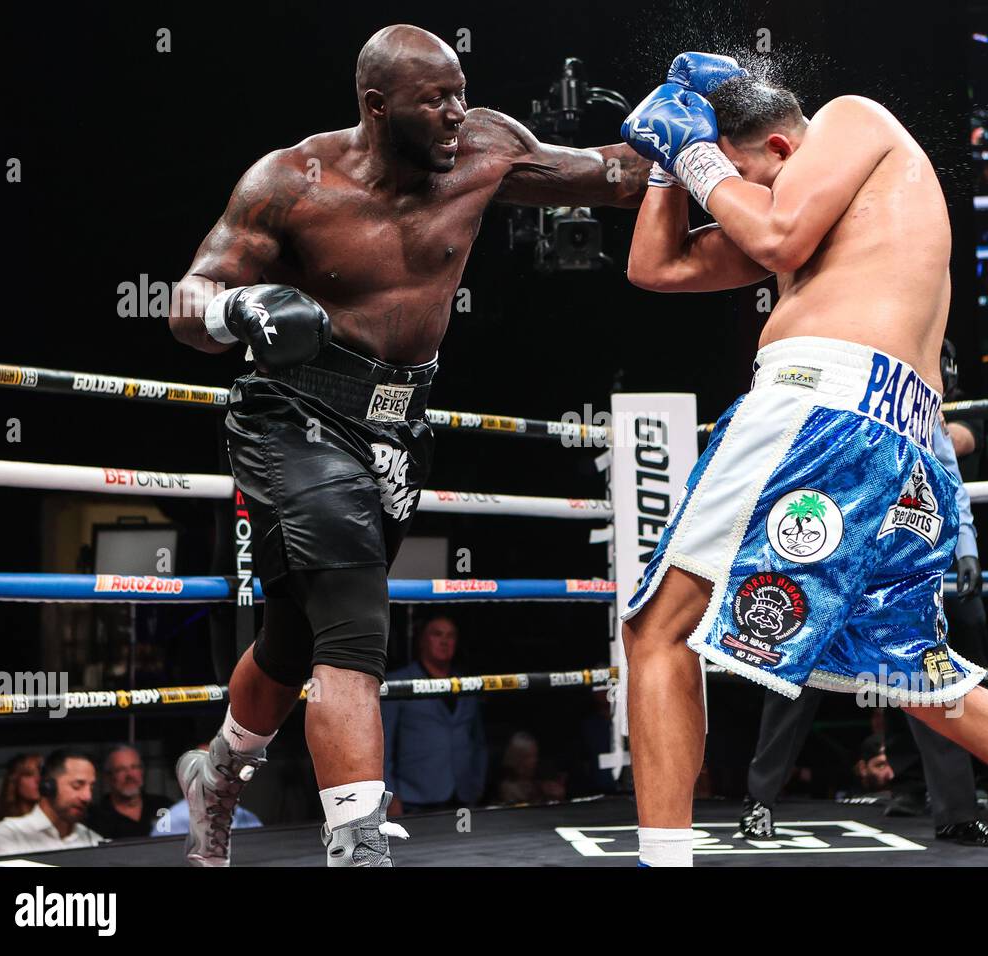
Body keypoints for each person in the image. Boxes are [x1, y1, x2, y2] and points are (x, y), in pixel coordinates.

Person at [617, 54, 988, 866]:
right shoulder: (824, 226)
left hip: (818, 407)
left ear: (785, 153)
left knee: (655, 631)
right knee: (931, 689)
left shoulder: (853, 119)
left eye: (745, 175)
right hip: (898, 445)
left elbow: (774, 227)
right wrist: (663, 167)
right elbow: (657, 267)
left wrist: (697, 155)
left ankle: (662, 863)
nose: (731, 196)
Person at [167, 24, 647, 867]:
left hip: (397, 426)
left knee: (290, 642)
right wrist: (236, 310)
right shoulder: (290, 181)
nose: (460, 113)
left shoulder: (486, 148)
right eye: (438, 100)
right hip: (292, 414)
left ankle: (217, 772)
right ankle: (356, 844)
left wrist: (707, 144)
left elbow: (609, 179)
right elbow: (189, 298)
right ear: (377, 106)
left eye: (462, 92)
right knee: (355, 619)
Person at [739, 415, 988, 847]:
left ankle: (957, 813)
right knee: (798, 672)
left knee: (928, 677)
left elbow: (946, 475)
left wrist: (966, 546)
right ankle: (760, 801)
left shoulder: (918, 398)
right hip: (828, 550)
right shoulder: (835, 389)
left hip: (900, 555)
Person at [381, 615, 488, 813]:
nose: (445, 641)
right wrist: (389, 794)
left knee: (469, 843)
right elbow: (383, 743)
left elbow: (478, 741)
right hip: (415, 798)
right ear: (422, 640)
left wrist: (478, 782)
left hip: (464, 796)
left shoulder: (468, 683)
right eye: (437, 634)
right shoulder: (398, 683)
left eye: (451, 636)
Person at [0, 750, 103, 856]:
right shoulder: (8, 835)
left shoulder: (93, 840)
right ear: (48, 787)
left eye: (91, 788)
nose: (87, 797)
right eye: (77, 785)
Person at [86, 745, 173, 840]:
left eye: (134, 767)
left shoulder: (163, 806)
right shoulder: (95, 818)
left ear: (142, 771)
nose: (130, 775)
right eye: (120, 770)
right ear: (108, 777)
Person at [0, 752, 42, 822]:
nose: (38, 779)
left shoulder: (57, 820)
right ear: (15, 781)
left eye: (42, 773)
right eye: (28, 774)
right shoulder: (6, 828)